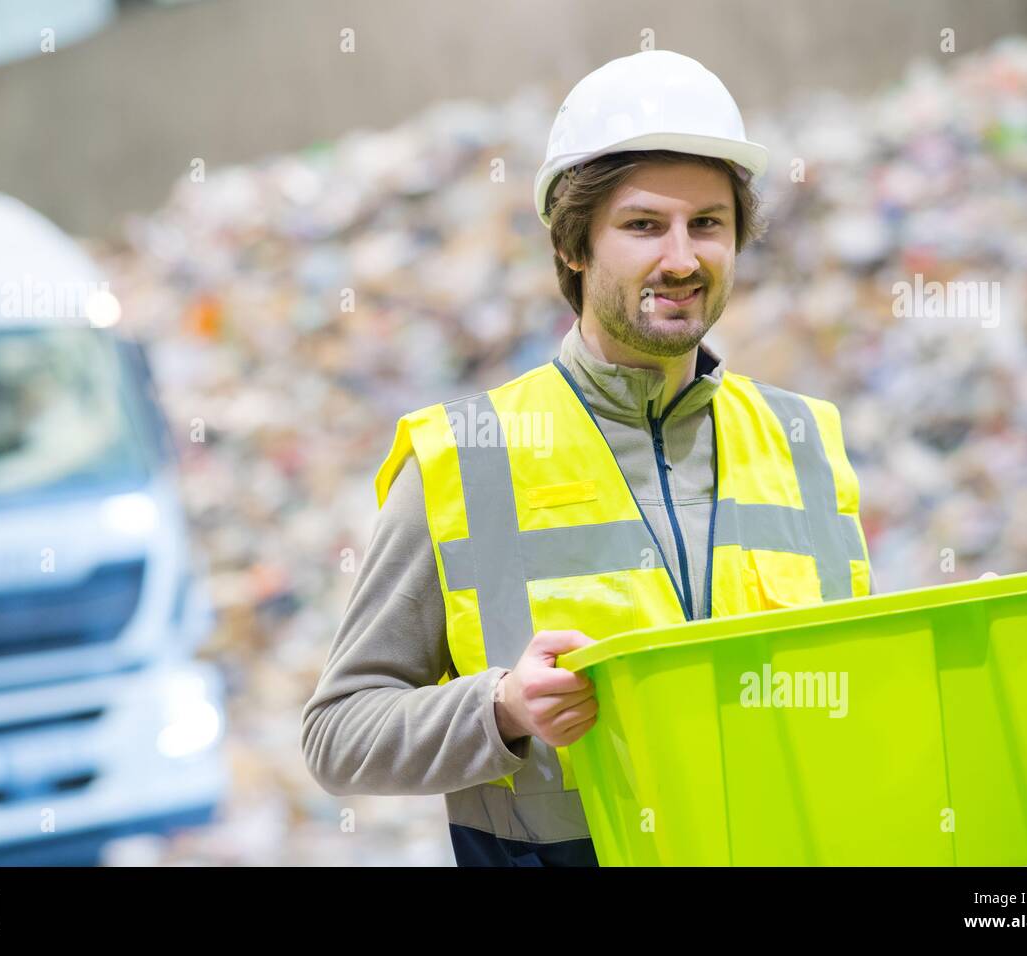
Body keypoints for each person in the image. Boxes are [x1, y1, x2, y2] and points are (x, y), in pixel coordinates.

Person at [302, 49, 874, 867]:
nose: (682, 258)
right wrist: (499, 709)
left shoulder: (804, 442)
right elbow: (337, 735)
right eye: (644, 225)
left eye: (707, 223)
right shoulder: (466, 459)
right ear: (574, 245)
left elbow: (856, 702)